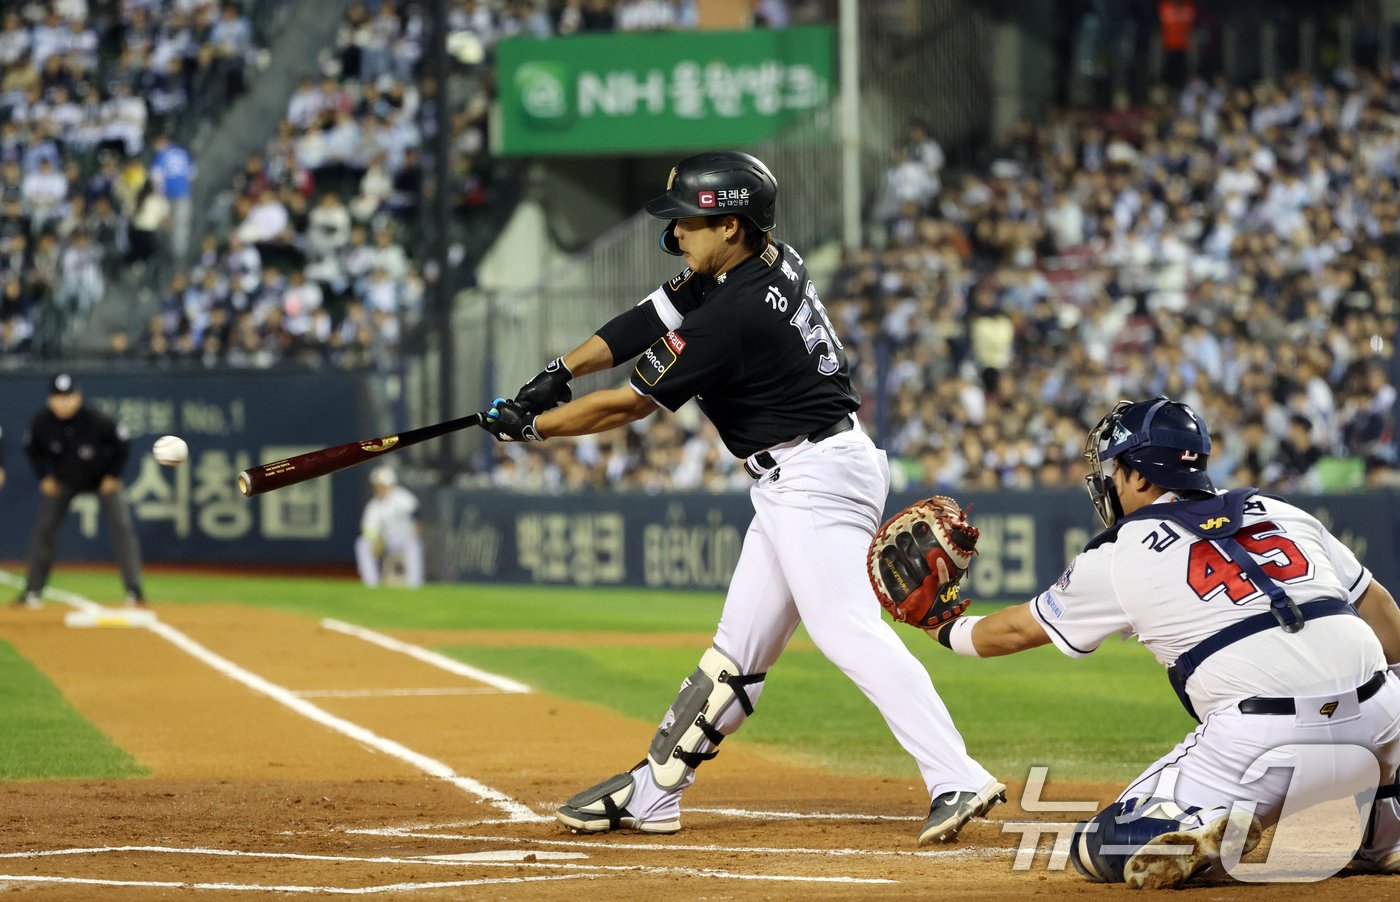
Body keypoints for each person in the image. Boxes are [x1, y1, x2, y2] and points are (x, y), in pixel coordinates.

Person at [482, 151, 1003, 844]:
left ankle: (956, 774)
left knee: (846, 630)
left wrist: (532, 425)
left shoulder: (733, 312)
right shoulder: (754, 261)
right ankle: (655, 790)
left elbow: (629, 406)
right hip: (800, 471)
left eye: (688, 225)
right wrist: (559, 370)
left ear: (730, 225)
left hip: (814, 473)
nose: (675, 238)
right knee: (738, 650)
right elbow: (647, 317)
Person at [929, 397, 1400, 888]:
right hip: (1379, 727)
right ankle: (1385, 831)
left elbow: (1012, 632)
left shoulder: (1121, 551)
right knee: (1389, 687)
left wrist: (941, 627)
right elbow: (1387, 620)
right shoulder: (1285, 511)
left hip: (1261, 743)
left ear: (1140, 477)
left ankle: (1199, 822)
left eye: (1114, 470)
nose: (1109, 482)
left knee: (1095, 847)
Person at [15, 374, 145, 609]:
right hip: (65, 481)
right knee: (44, 529)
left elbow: (122, 443)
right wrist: (44, 476)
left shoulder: (96, 419)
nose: (64, 402)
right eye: (58, 397)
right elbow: (31, 449)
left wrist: (113, 475)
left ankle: (134, 590)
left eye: (68, 396)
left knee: (122, 526)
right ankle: (32, 592)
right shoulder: (42, 423)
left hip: (101, 479)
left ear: (79, 397)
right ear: (49, 400)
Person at [354, 465, 423, 588]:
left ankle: (415, 584)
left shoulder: (401, 497)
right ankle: (371, 584)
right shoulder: (373, 505)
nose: (378, 488)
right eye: (376, 485)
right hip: (387, 541)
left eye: (380, 485)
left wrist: (417, 526)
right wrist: (376, 540)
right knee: (362, 544)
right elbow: (369, 529)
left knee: (414, 544)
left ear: (389, 484)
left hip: (406, 538)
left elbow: (416, 511)